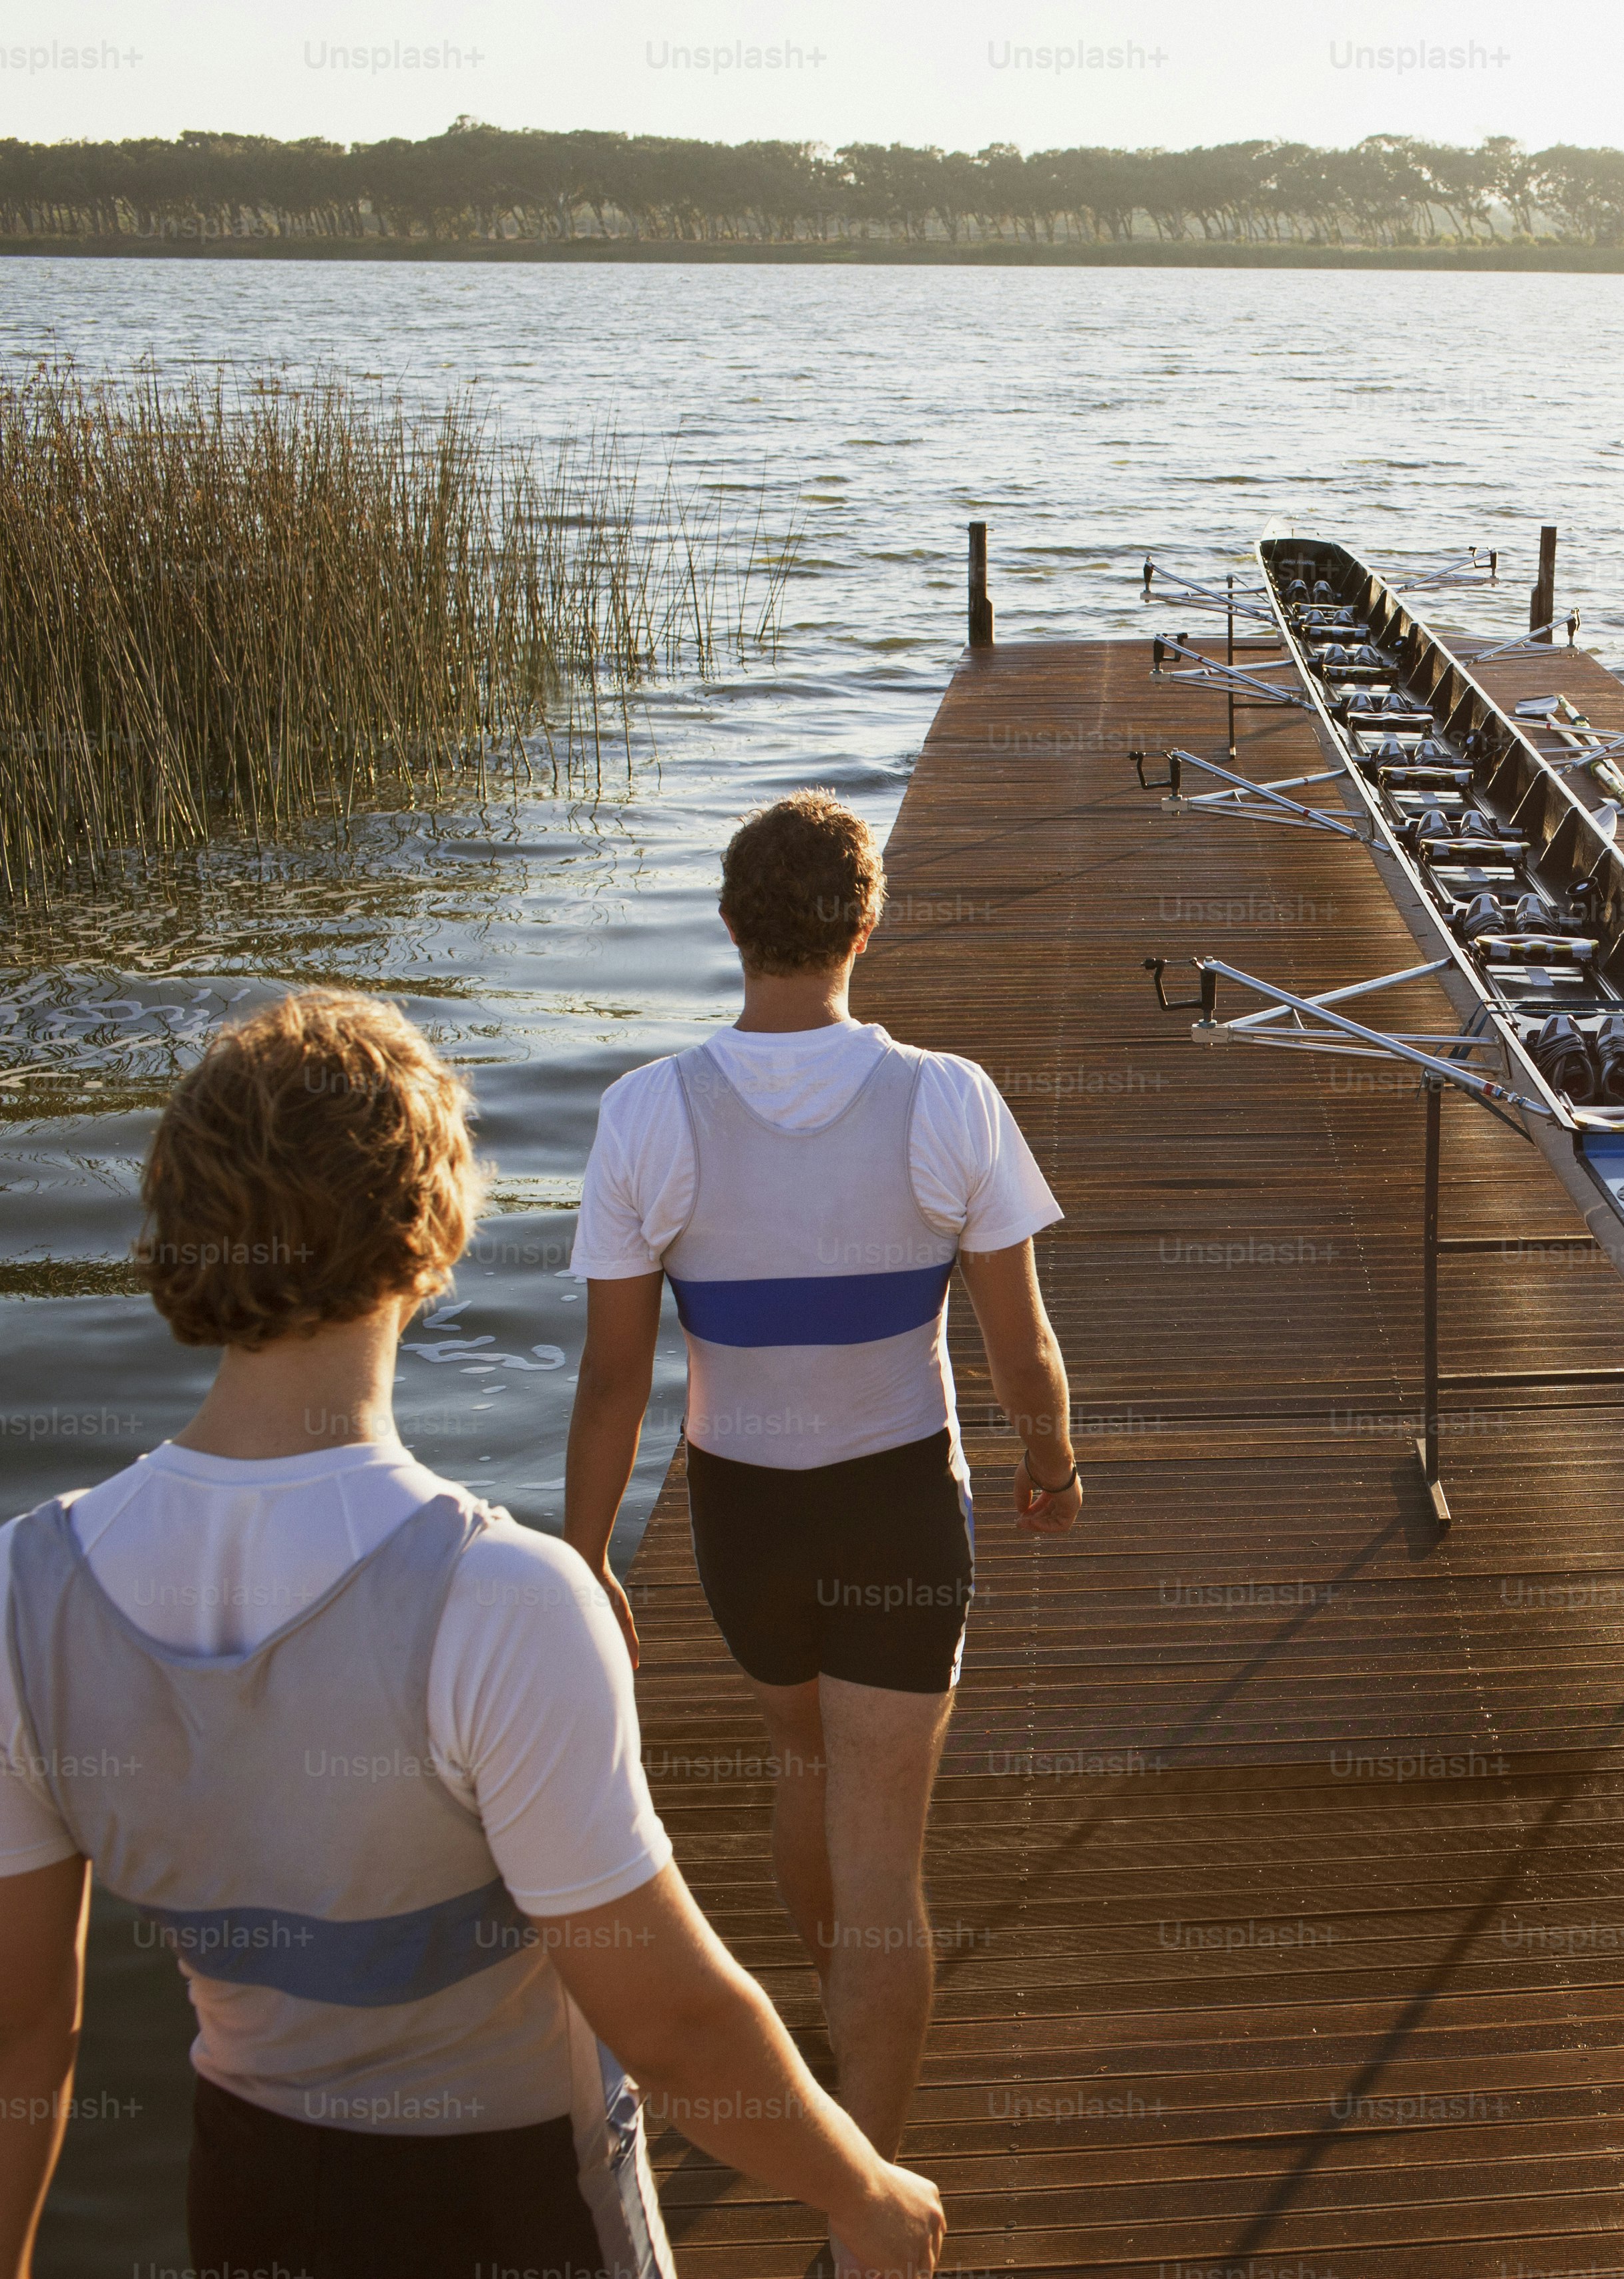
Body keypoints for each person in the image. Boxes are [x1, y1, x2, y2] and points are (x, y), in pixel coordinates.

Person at [0, 990, 941, 2279]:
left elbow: (0, 2039)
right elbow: (676, 2020)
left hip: (244, 2191)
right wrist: (867, 2196)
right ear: (433, 1238)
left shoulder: (21, 1591)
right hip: (515, 2206)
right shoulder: (503, 1598)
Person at [564, 788, 1078, 2165]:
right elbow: (1020, 1344)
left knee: (802, 1757)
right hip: (900, 1502)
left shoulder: (644, 1114)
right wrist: (1052, 1461)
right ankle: (869, 2205)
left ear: (733, 926)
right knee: (883, 1866)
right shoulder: (945, 1099)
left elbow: (614, 1381)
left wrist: (587, 1556)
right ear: (869, 924)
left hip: (743, 1514)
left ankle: (836, 2020)